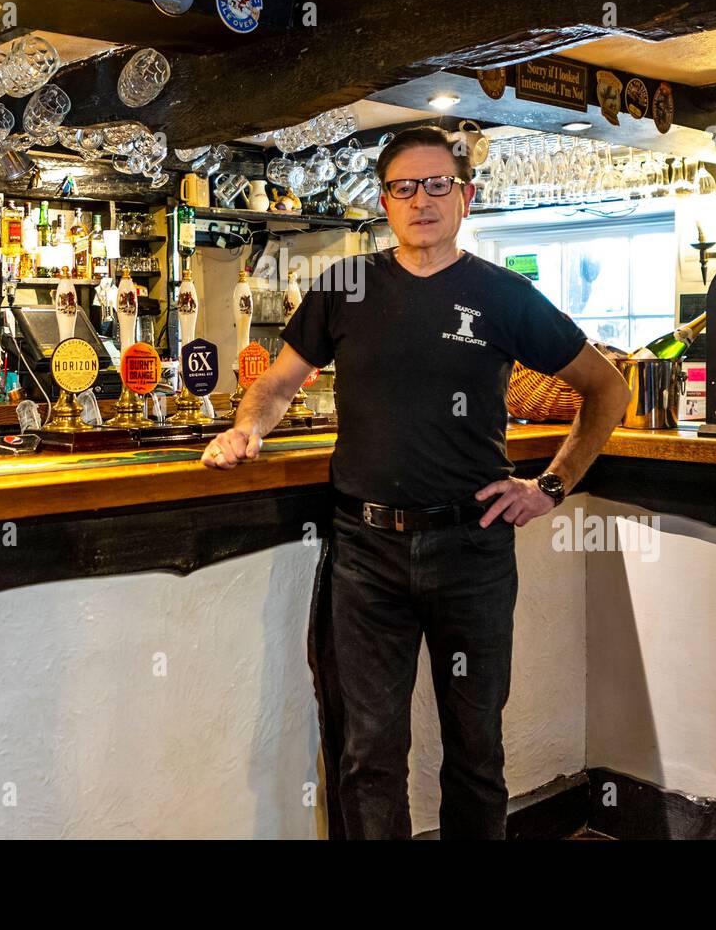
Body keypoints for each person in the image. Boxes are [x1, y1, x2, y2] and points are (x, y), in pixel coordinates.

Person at [201, 124, 630, 838]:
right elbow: (276, 385)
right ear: (384, 200)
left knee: (476, 751)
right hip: (365, 552)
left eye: (438, 185)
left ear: (466, 197)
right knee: (367, 754)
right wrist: (247, 428)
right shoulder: (345, 286)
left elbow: (606, 390)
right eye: (405, 187)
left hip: (474, 550)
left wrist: (549, 487)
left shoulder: (505, 295)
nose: (421, 200)